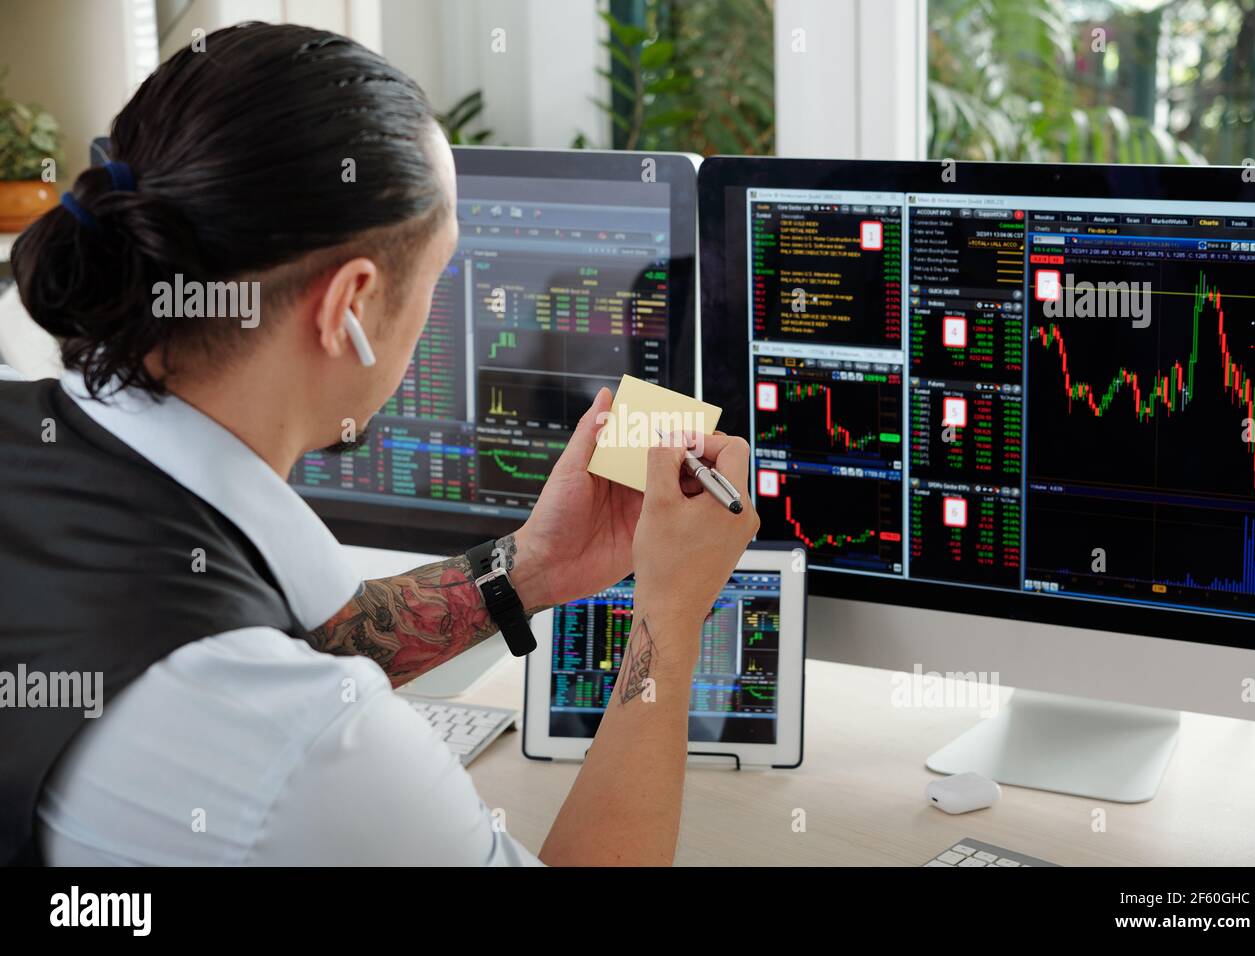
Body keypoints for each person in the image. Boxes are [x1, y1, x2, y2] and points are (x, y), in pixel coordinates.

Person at [0, 22, 757, 866]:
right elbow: (278, 695)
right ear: (350, 307)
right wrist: (670, 616)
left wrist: (534, 566)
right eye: (439, 273)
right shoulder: (306, 749)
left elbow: (293, 634)